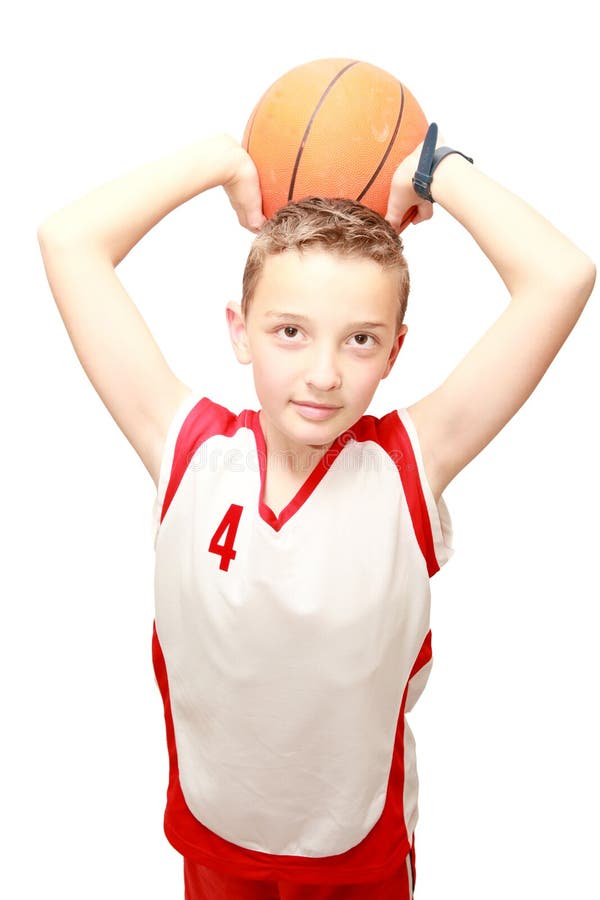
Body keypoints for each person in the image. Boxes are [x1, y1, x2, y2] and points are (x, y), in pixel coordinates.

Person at [37, 129, 595, 899]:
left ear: (395, 352)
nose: (324, 374)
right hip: (215, 835)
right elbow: (68, 241)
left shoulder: (408, 465)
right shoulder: (188, 450)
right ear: (240, 331)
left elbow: (562, 277)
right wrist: (222, 162)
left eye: (360, 340)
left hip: (355, 853)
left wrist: (436, 171)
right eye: (290, 332)